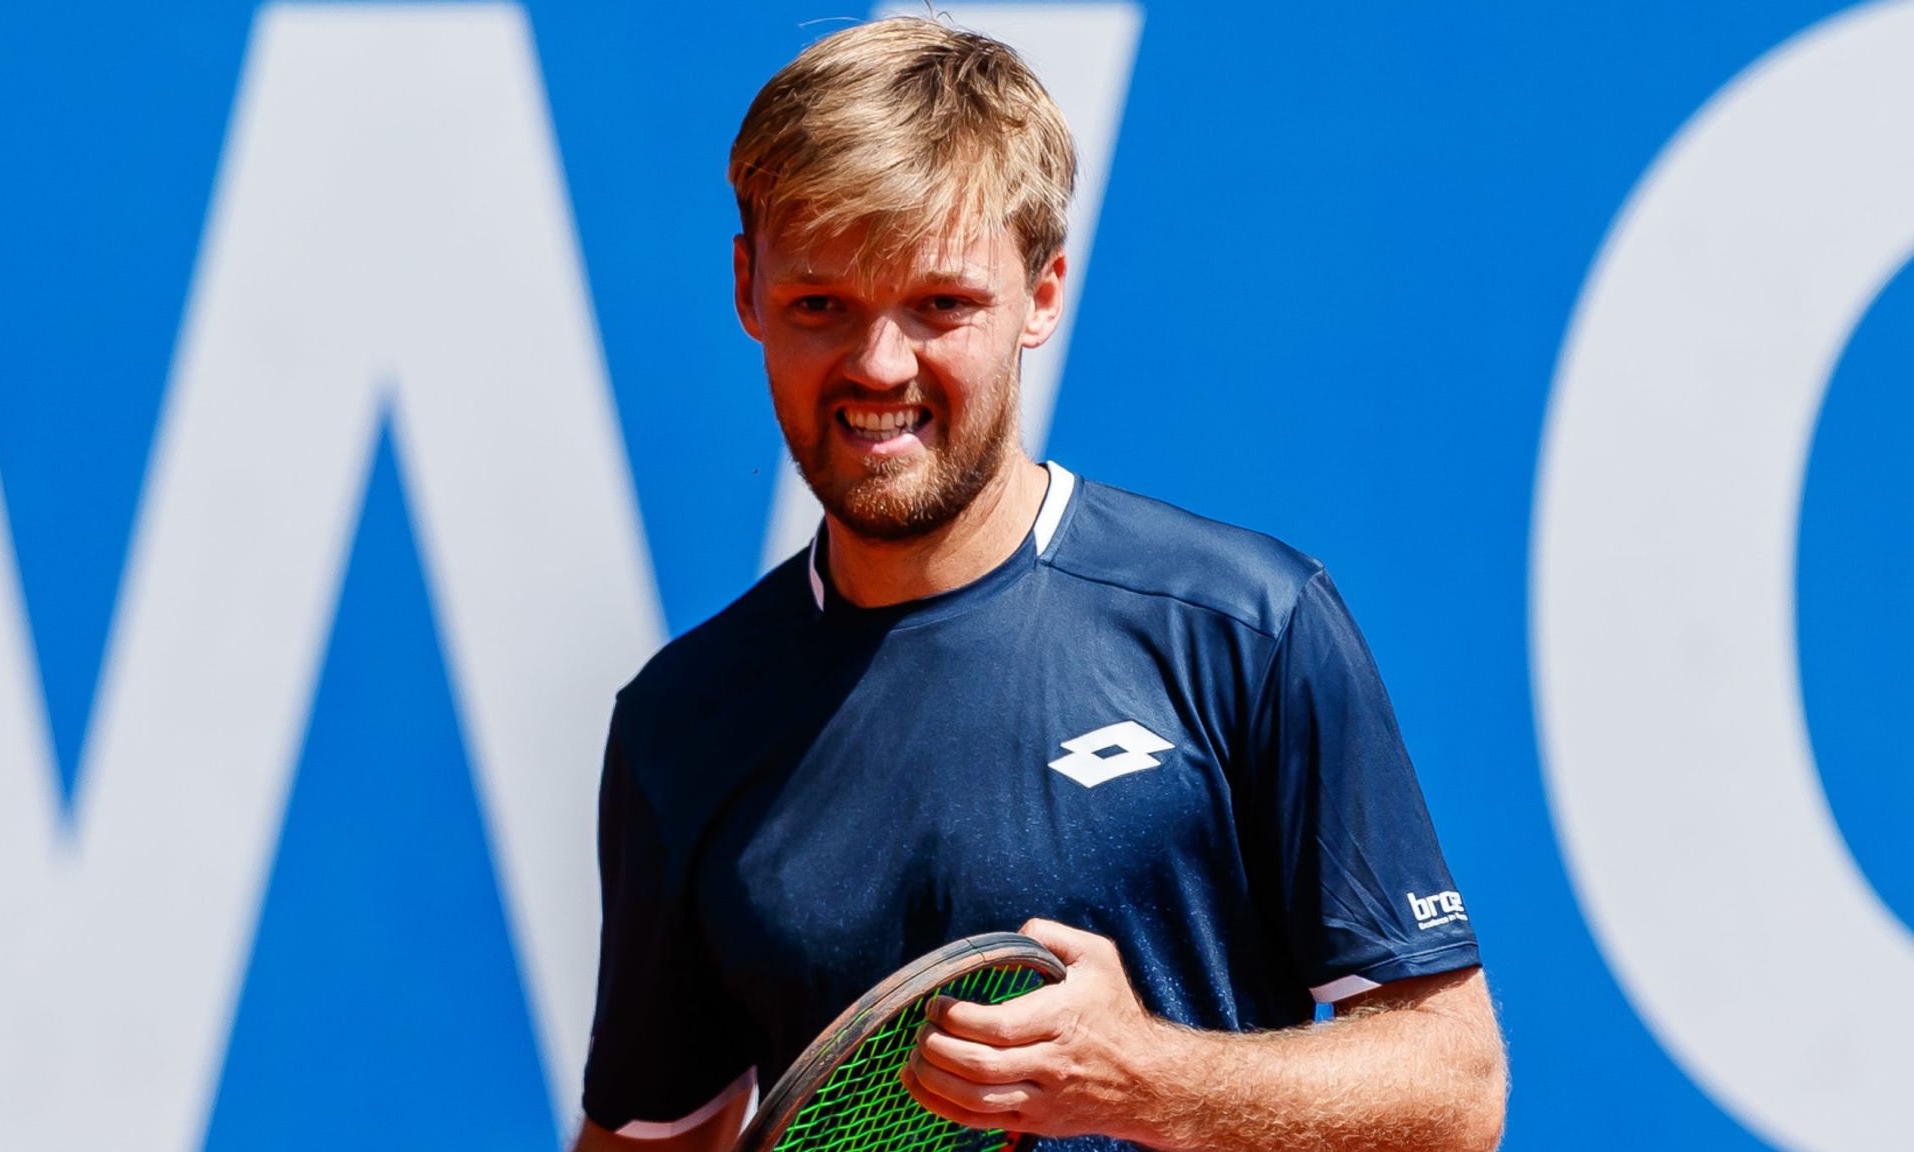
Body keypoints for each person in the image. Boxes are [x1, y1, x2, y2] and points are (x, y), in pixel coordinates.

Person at [574, 17, 1506, 1152]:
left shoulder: (1243, 626)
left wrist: (1143, 1079)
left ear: (1043, 290)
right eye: (821, 302)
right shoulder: (680, 727)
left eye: (940, 304)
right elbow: (650, 1140)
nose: (878, 367)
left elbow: (1455, 1092)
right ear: (747, 288)